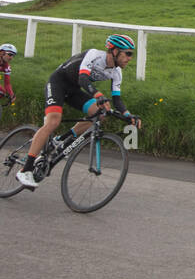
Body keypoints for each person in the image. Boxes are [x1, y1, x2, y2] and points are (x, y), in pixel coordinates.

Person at [15, 34, 141, 189]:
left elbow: (117, 100)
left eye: (131, 54)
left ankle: (63, 139)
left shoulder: (116, 73)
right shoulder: (94, 55)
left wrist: (128, 115)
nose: (130, 58)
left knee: (100, 114)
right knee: (54, 121)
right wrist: (98, 95)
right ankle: (25, 169)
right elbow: (83, 79)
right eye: (127, 53)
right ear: (114, 51)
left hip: (74, 90)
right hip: (58, 83)